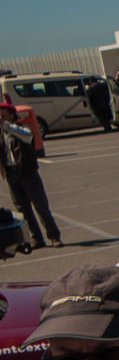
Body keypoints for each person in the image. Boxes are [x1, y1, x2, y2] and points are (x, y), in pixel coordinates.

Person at [1, 101, 62, 250]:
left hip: (27, 171)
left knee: (40, 205)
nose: (1, 116)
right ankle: (36, 237)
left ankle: (54, 236)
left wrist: (6, 125)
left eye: (3, 113)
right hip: (11, 173)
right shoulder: (2, 133)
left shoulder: (22, 128)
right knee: (23, 209)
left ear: (11, 114)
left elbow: (27, 137)